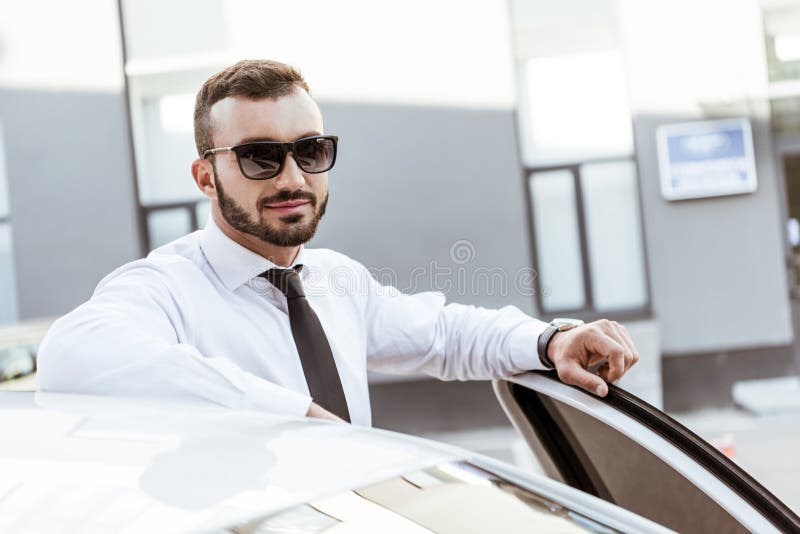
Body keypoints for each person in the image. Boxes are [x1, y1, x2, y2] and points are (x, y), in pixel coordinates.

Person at [36, 60, 639, 425]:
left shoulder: (333, 278)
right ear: (204, 176)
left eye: (310, 150)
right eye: (259, 158)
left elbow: (444, 334)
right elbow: (70, 354)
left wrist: (549, 338)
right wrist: (288, 417)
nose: (293, 178)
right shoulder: (166, 288)